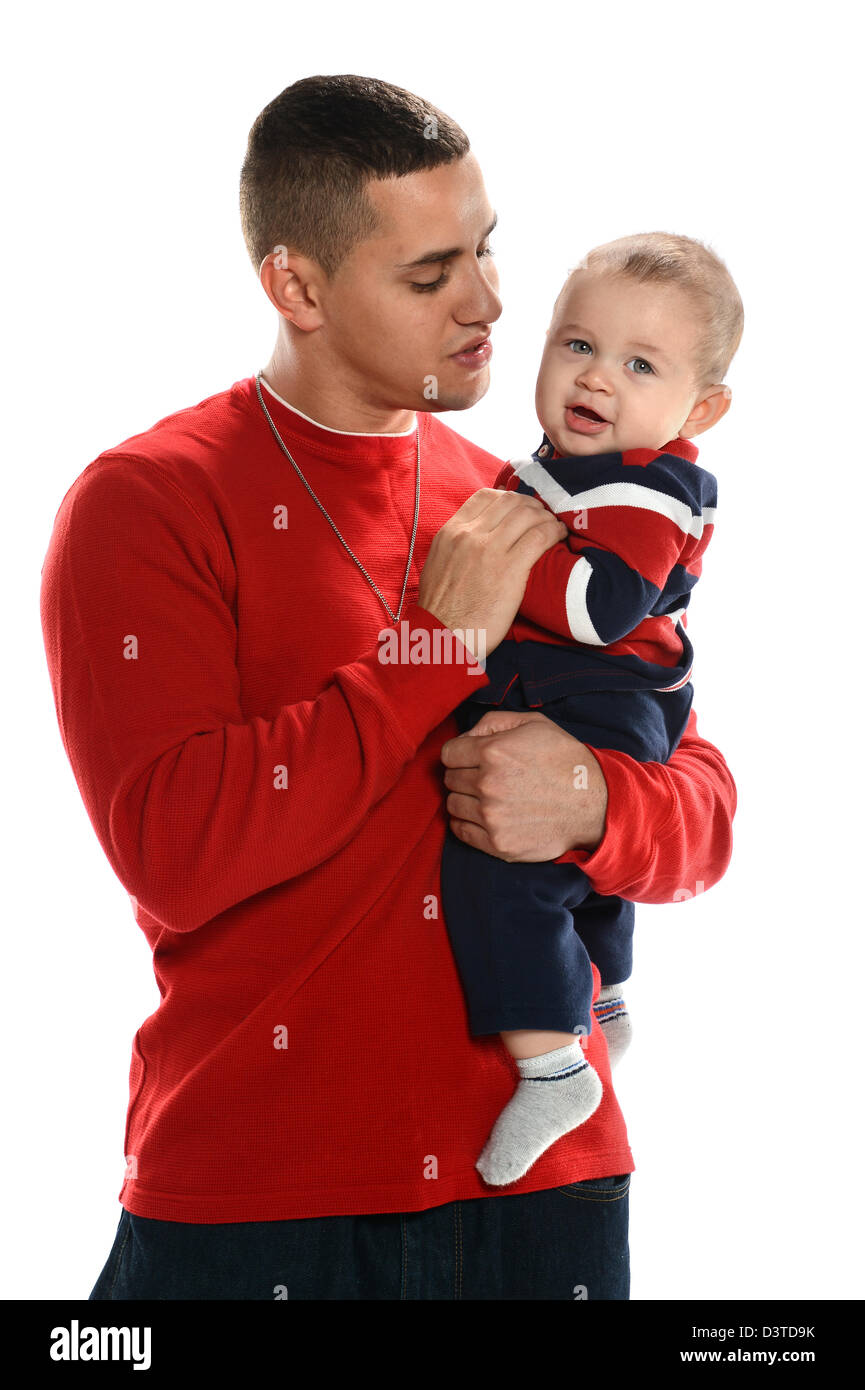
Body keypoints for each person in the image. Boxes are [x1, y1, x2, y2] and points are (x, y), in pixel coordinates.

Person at [39, 74, 736, 1301]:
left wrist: (590, 803)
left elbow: (702, 800)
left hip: (549, 1193)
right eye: (430, 276)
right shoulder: (147, 501)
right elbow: (174, 847)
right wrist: (432, 647)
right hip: (262, 1202)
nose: (489, 304)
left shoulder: (545, 498)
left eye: (485, 251)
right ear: (296, 286)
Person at [441, 232, 742, 1186]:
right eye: (577, 345)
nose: (597, 379)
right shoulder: (555, 468)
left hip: (604, 702)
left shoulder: (646, 485)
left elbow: (599, 608)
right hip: (571, 694)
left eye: (639, 364)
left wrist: (491, 571)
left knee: (505, 867)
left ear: (700, 409)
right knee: (571, 876)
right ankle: (601, 998)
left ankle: (553, 1063)